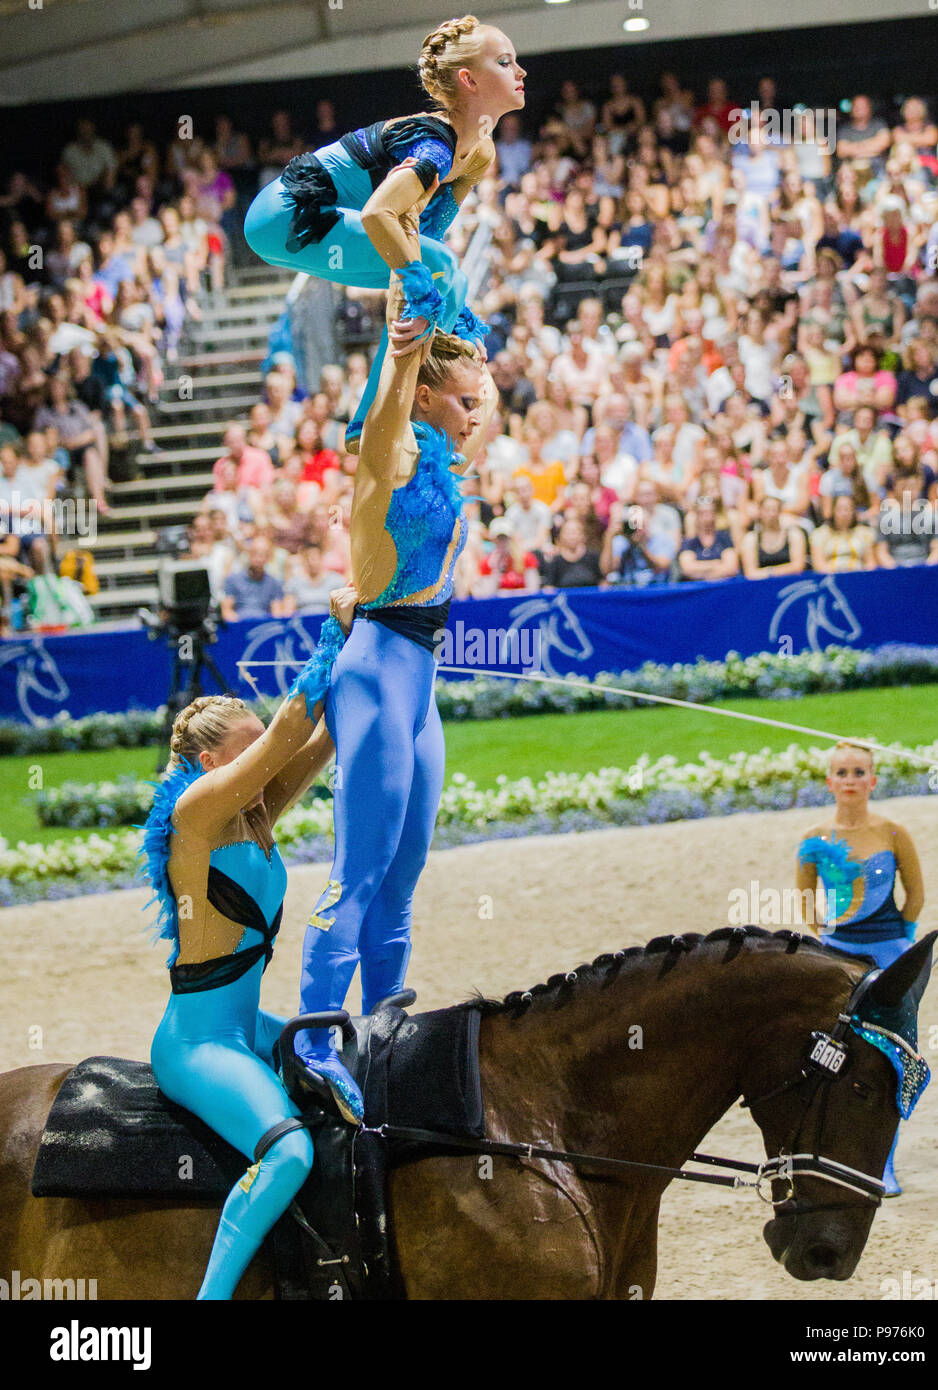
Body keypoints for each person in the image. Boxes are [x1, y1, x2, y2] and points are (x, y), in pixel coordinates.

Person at [288, 254, 498, 1121]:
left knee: (403, 873)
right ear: (423, 398)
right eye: (463, 400)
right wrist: (403, 340)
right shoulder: (391, 453)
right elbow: (388, 406)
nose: (476, 412)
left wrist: (462, 330)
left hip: (420, 677)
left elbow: (482, 395)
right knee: (359, 872)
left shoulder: (446, 454)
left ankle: (384, 1029)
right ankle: (312, 1040)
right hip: (376, 669)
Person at [140, 673, 341, 1296]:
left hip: (246, 1027)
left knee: (354, 1064)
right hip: (196, 1047)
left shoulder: (253, 813)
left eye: (259, 746)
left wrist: (376, 651)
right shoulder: (194, 816)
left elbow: (322, 737)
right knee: (289, 1152)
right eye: (247, 751)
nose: (262, 762)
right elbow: (285, 737)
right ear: (209, 764)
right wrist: (332, 640)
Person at [244, 16, 524, 450]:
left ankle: (371, 423)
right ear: (468, 80)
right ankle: (389, 414)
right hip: (286, 213)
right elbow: (379, 214)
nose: (521, 71)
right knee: (441, 269)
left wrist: (451, 316)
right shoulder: (436, 144)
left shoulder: (479, 152)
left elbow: (428, 232)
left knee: (449, 279)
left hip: (307, 220)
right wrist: (423, 288)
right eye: (505, 62)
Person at [796, 741, 924, 1195]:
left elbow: (915, 895)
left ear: (872, 781)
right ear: (829, 782)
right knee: (833, 1052)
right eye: (842, 772)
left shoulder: (893, 832)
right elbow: (807, 899)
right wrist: (825, 941)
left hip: (890, 955)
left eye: (858, 772)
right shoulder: (813, 839)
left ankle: (883, 1162)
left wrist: (902, 943)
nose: (849, 780)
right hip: (837, 956)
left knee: (889, 1058)